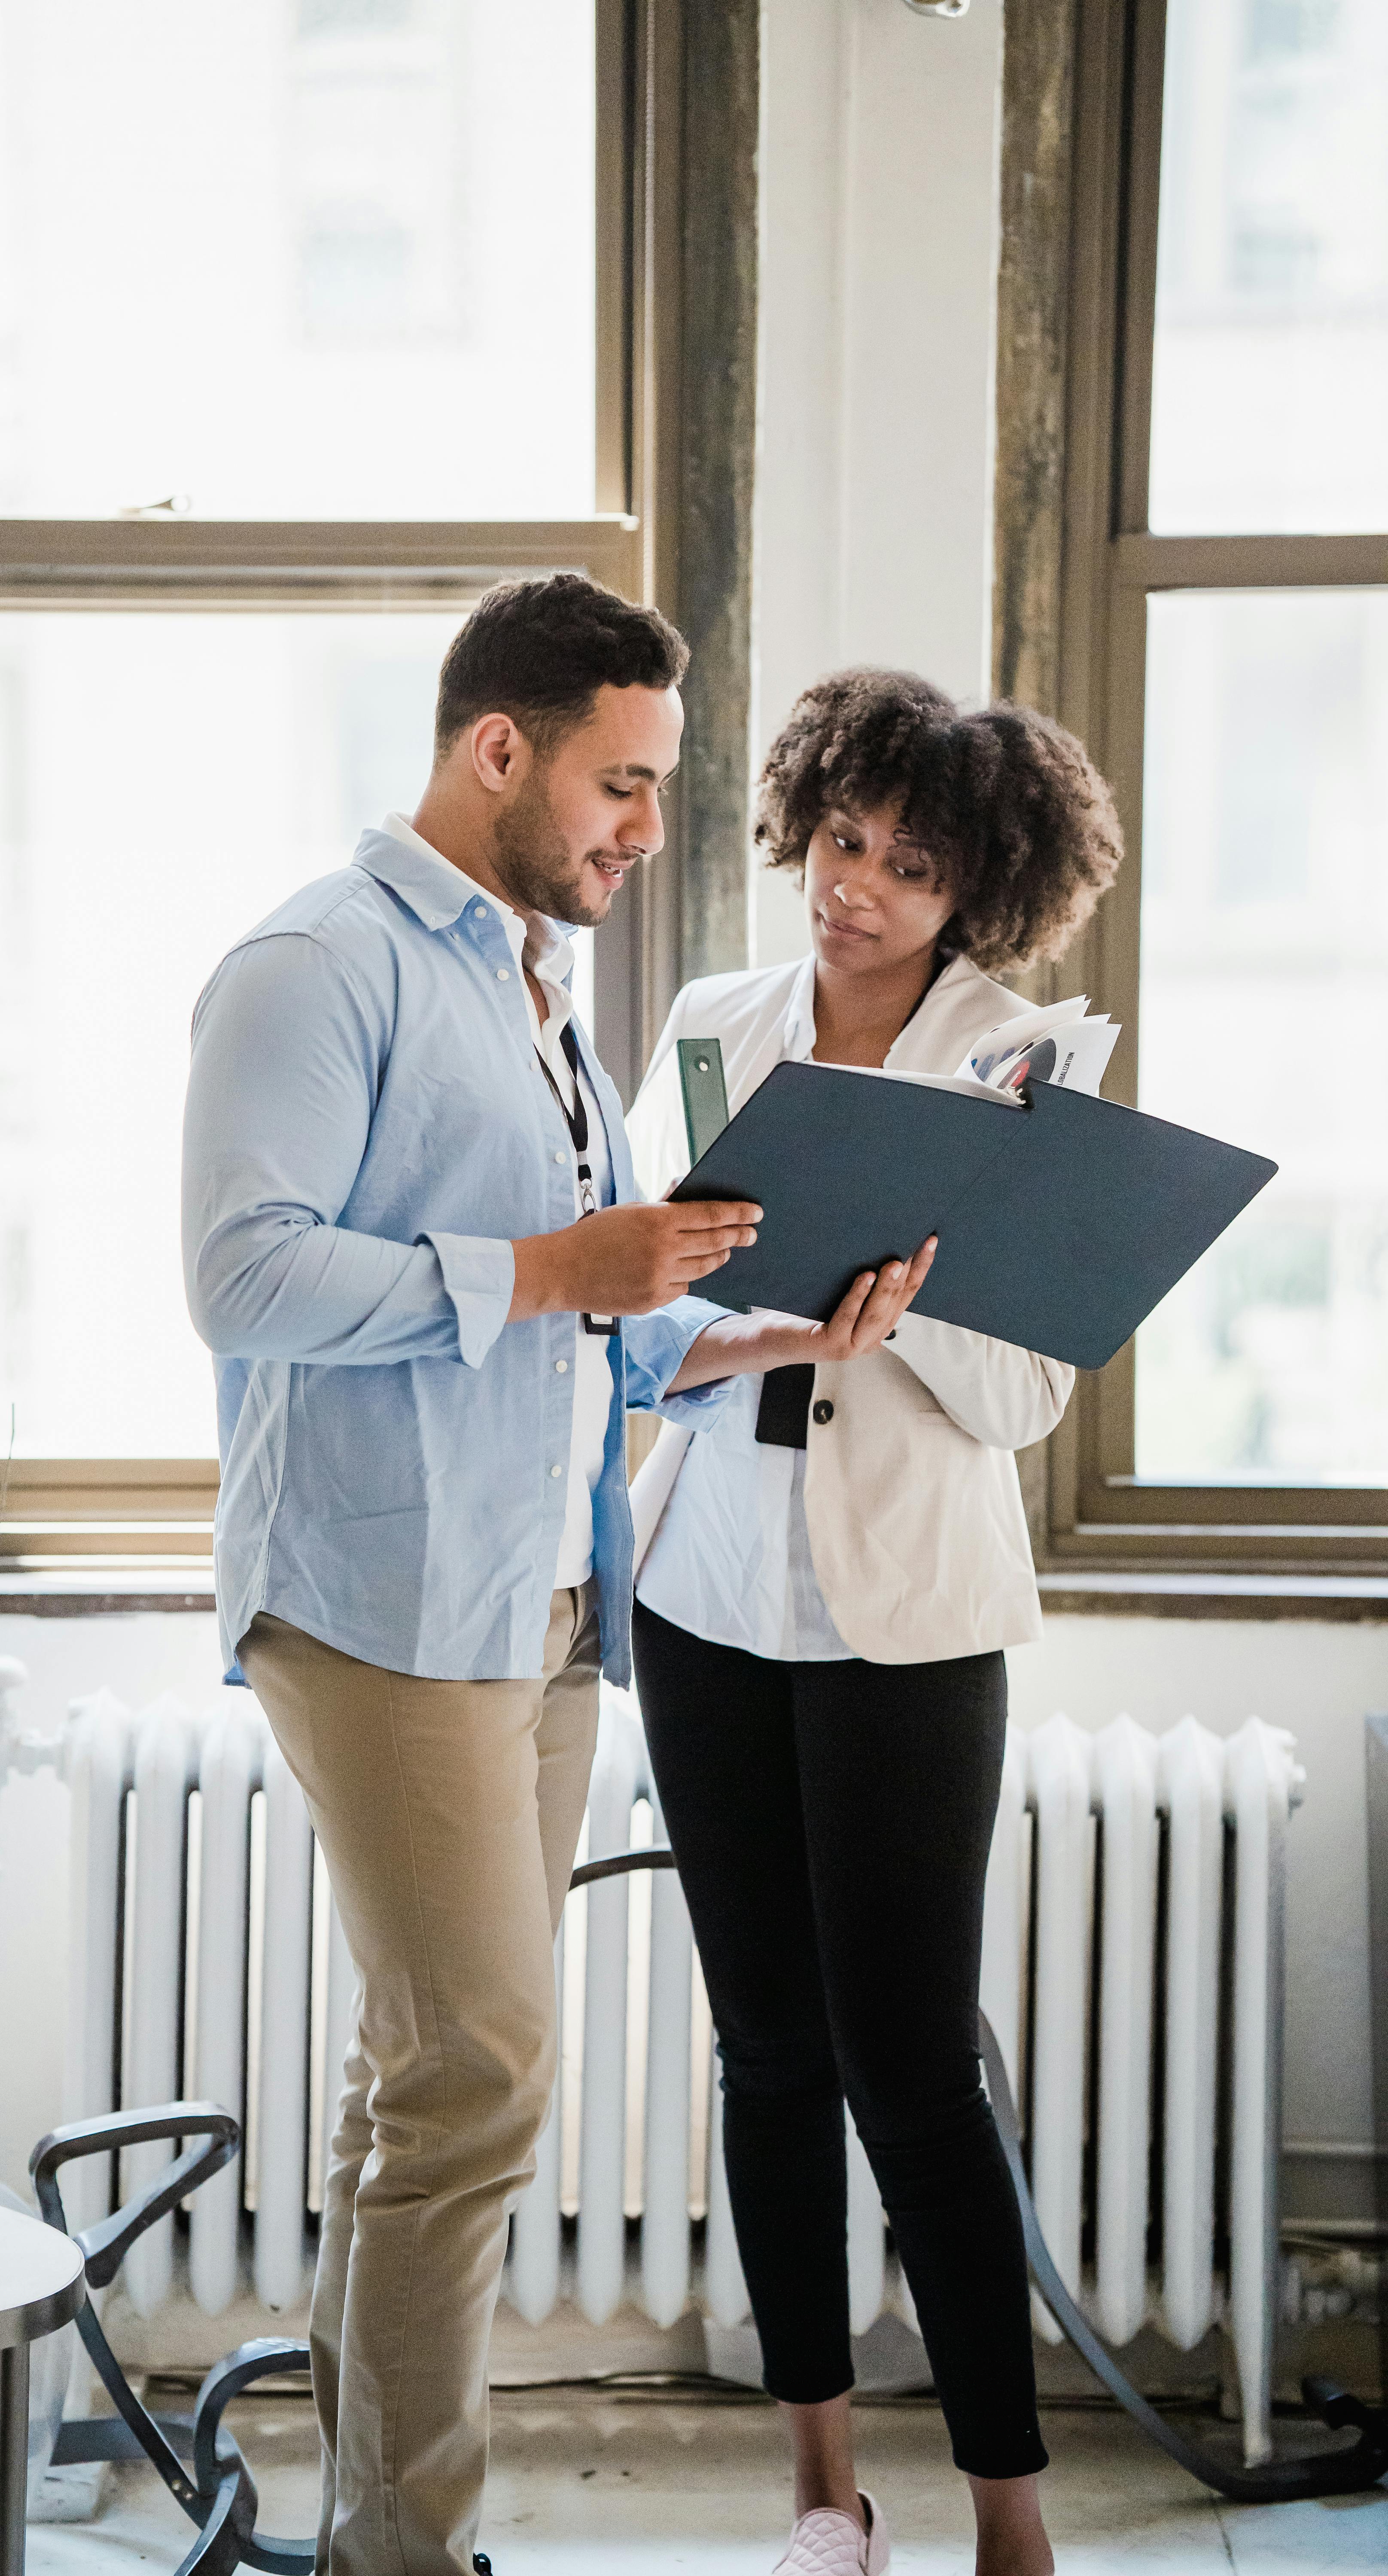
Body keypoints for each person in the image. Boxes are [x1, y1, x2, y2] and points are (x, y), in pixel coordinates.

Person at [180, 574, 766, 2576]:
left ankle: (369, 2526)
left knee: (418, 2079)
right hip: (383, 1598)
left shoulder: (535, 990)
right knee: (484, 2075)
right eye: (621, 782)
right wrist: (547, 1269)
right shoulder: (313, 966)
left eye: (660, 788)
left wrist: (764, 1333)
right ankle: (407, 2553)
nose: (647, 827)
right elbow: (241, 1280)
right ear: (497, 748)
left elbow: (593, 1316)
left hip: (543, 1601)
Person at [627, 670, 1123, 2576]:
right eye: (843, 843)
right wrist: (741, 1307)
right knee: (766, 2056)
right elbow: (642, 1317)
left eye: (910, 870)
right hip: (706, 1590)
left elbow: (1027, 1397)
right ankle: (822, 2499)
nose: (857, 889)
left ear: (977, 890)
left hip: (905, 1615)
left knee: (913, 2072)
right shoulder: (709, 1023)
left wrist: (900, 1305)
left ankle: (1011, 2520)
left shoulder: (1025, 1066)